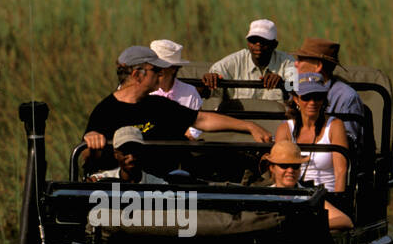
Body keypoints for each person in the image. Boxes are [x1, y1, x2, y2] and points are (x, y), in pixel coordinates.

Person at [83, 45, 272, 175]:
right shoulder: (105, 111)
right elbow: (87, 157)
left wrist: (249, 126)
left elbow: (202, 120)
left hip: (163, 186)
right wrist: (92, 144)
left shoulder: (158, 105)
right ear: (137, 75)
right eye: (155, 70)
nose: (160, 74)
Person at [287, 38, 373, 160]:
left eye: (301, 60)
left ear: (318, 66)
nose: (296, 64)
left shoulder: (346, 97)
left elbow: (348, 147)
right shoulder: (296, 90)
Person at [274, 72, 348, 192]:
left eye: (318, 97)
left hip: (326, 196)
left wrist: (338, 200)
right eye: (306, 97)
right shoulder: (285, 129)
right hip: (293, 195)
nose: (312, 102)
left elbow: (341, 172)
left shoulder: (335, 126)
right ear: (296, 99)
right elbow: (279, 173)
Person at [264, 140, 352, 230]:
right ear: (272, 168)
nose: (290, 171)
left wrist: (306, 226)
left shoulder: (311, 196)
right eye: (284, 166)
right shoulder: (261, 196)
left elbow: (344, 220)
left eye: (295, 166)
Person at [200, 19, 296, 100]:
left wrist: (282, 84)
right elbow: (207, 91)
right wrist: (209, 80)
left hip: (277, 121)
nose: (258, 44)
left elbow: (295, 93)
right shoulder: (232, 62)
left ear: (274, 45)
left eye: (264, 41)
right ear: (248, 43)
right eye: (253, 40)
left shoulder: (288, 62)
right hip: (239, 120)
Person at [149, 38, 202, 139]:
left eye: (160, 68)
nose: (155, 72)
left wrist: (189, 135)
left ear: (173, 69)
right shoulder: (141, 89)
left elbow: (198, 122)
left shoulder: (189, 92)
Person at [87, 127, 167, 183]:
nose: (131, 158)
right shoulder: (101, 180)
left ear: (142, 151)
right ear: (115, 154)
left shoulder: (158, 185)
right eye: (125, 152)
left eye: (135, 150)